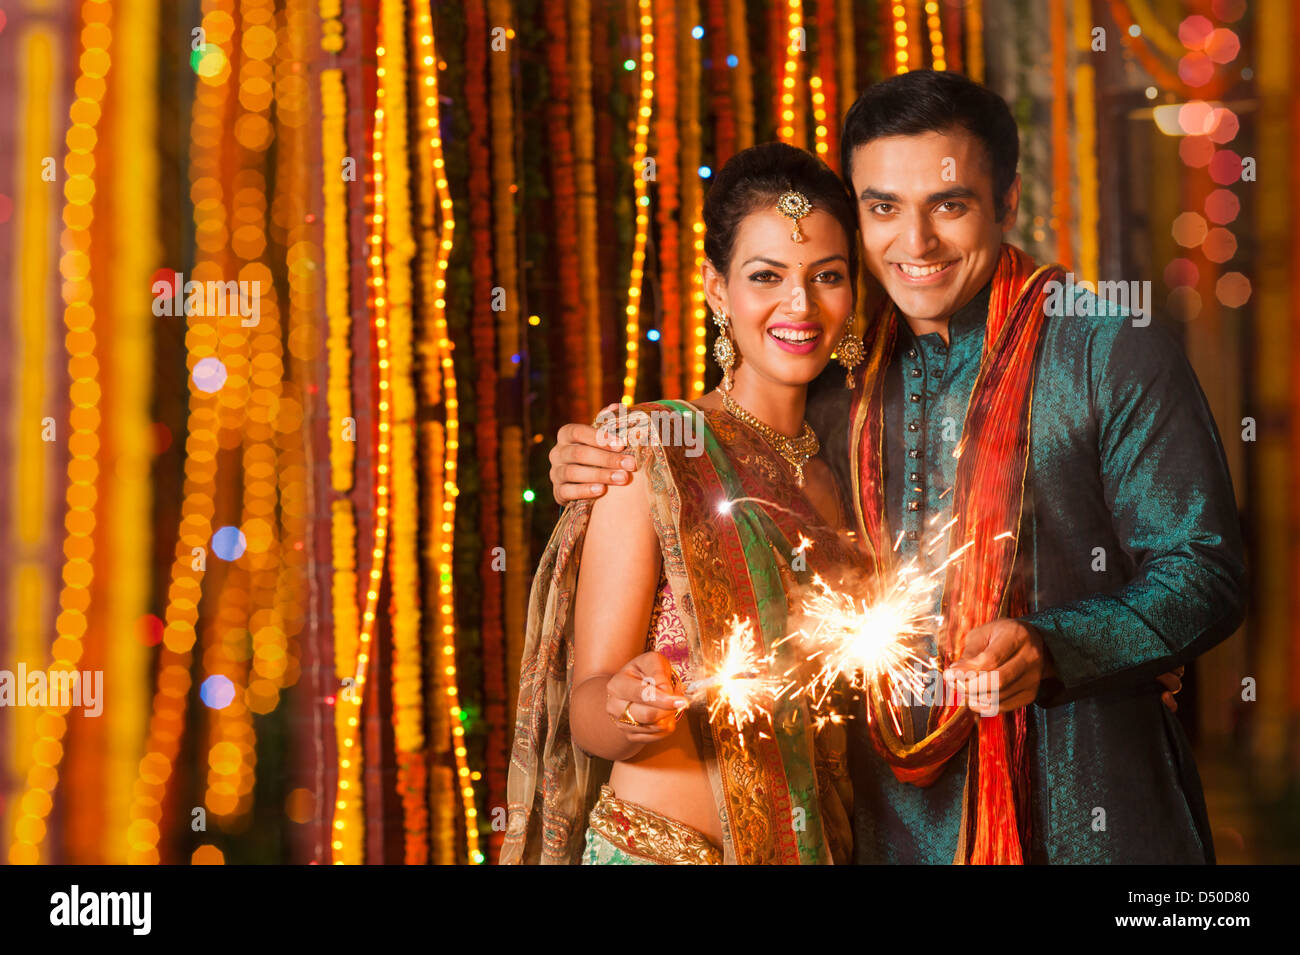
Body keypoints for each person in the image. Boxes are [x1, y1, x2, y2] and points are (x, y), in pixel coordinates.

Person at [547, 70, 1245, 864]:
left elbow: (1205, 571)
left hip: (1089, 807)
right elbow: (718, 458)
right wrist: (594, 451)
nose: (915, 244)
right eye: (882, 207)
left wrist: (1055, 648)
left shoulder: (1103, 346)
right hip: (891, 830)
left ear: (1008, 202)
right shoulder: (842, 384)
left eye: (950, 204)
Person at [501, 142, 871, 864]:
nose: (800, 305)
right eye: (766, 276)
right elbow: (586, 708)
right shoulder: (659, 451)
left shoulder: (846, 475)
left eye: (826, 276)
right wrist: (627, 706)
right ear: (715, 289)